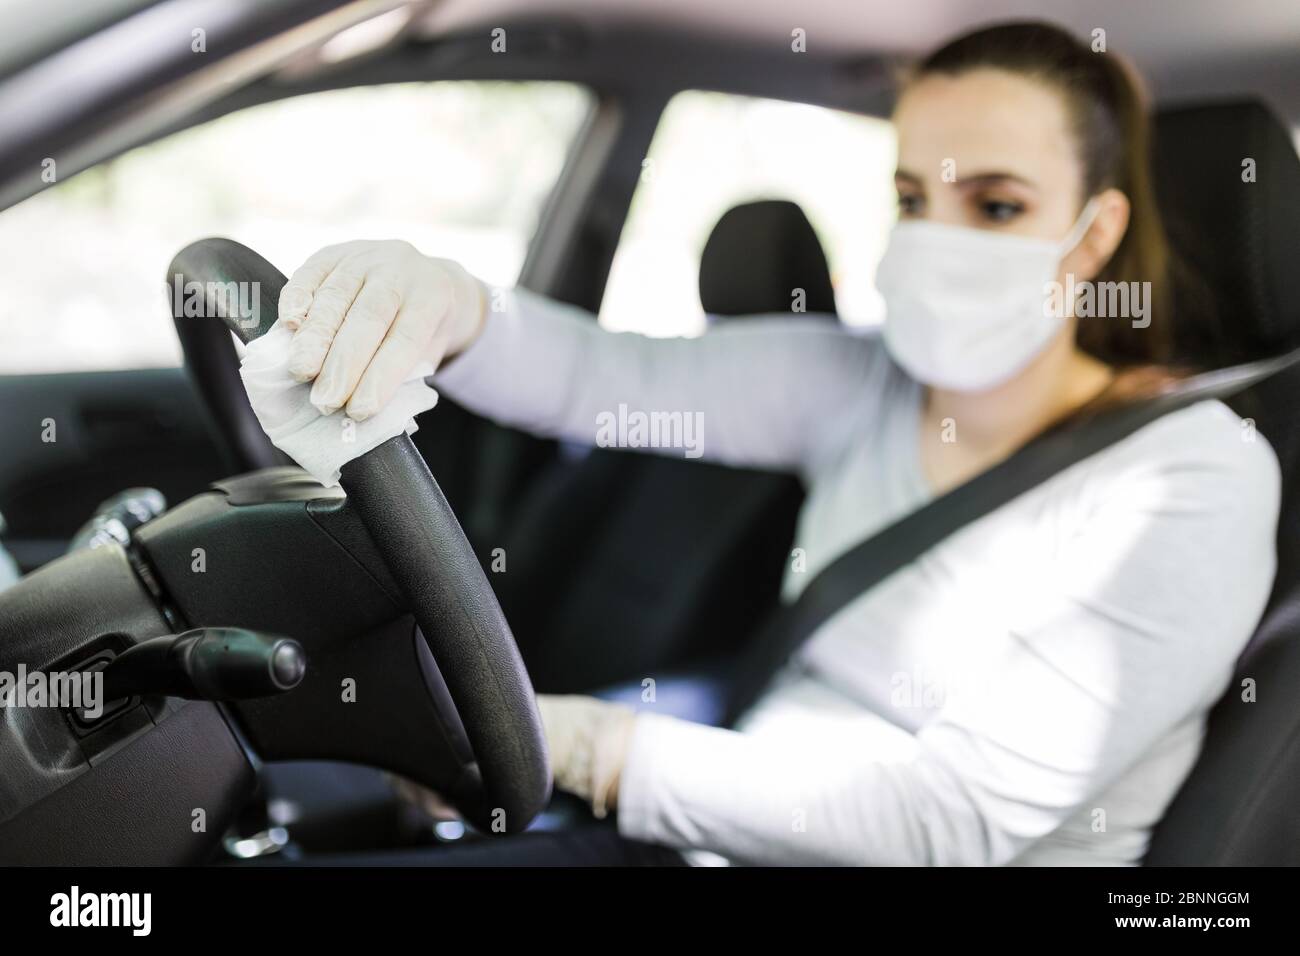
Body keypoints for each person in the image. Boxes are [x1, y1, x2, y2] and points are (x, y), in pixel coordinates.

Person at [270, 21, 1279, 865]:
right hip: (728, 830)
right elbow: (607, 378)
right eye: (913, 199)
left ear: (1092, 236)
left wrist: (584, 746)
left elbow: (947, 821)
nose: (936, 240)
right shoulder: (859, 380)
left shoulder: (1190, 478)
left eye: (997, 204)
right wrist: (450, 305)